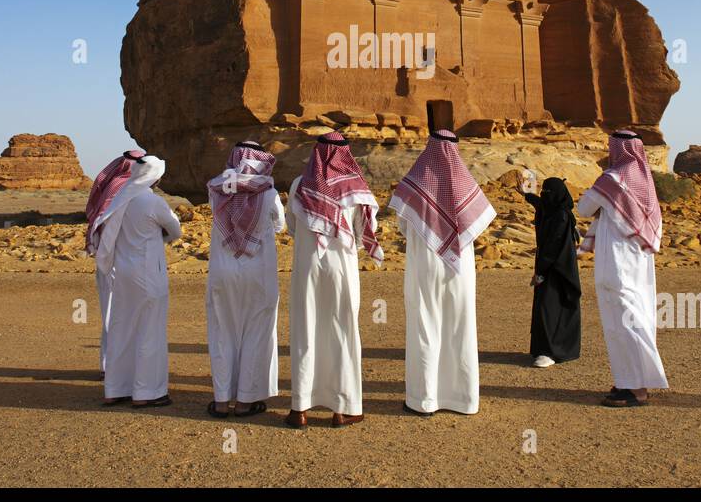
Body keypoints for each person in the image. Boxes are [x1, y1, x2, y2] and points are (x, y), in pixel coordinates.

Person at [390, 129, 495, 417]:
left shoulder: (415, 182)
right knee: (460, 327)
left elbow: (402, 224)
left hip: (424, 267)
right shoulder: (464, 183)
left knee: (425, 326)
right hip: (459, 270)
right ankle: (463, 399)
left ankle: (424, 400)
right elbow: (479, 221)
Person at [284, 132, 383, 429]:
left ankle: (299, 408)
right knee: (343, 330)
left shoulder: (298, 185)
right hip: (341, 268)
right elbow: (367, 227)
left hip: (308, 267)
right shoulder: (356, 188)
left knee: (306, 329)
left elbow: (290, 226)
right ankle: (344, 408)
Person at [576, 131, 668, 407]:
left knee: (625, 320)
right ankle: (628, 382)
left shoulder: (613, 179)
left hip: (617, 262)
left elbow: (583, 208)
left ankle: (637, 388)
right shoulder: (644, 184)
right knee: (636, 315)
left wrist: (600, 206)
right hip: (639, 262)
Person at [91, 154, 181, 408]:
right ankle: (147, 393)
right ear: (155, 177)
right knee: (150, 331)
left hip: (122, 274)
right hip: (149, 274)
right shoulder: (153, 202)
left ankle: (115, 389)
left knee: (121, 329)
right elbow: (176, 230)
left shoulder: (120, 198)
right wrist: (158, 236)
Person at [205, 140, 284, 419]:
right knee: (257, 331)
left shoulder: (215, 189)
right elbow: (279, 225)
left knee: (222, 331)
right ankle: (246, 401)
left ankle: (222, 400)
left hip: (223, 271)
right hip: (258, 270)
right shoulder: (269, 193)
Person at [85, 149, 146, 376]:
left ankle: (110, 366)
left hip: (108, 261)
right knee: (121, 315)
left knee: (112, 314)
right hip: (120, 262)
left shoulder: (110, 189)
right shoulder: (128, 191)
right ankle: (116, 367)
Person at [522, 176, 582, 368]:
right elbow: (542, 206)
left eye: (548, 193)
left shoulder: (561, 216)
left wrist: (540, 271)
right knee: (545, 308)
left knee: (551, 309)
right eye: (543, 192)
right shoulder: (553, 210)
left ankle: (551, 352)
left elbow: (554, 246)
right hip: (550, 269)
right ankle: (545, 349)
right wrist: (527, 196)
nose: (544, 196)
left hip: (559, 272)